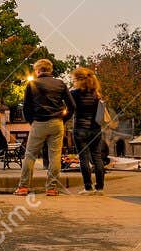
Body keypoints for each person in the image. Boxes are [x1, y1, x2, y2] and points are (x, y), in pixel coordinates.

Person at [15, 59, 73, 196]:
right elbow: (72, 106)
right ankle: (52, 188)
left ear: (38, 70)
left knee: (30, 155)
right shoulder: (60, 84)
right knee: (55, 156)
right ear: (50, 69)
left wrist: (32, 121)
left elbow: (26, 107)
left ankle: (23, 187)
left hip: (39, 123)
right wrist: (63, 119)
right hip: (56, 122)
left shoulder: (32, 84)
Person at [68, 66, 106, 193]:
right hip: (95, 129)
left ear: (78, 80)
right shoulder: (97, 94)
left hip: (80, 129)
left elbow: (70, 109)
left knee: (83, 158)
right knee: (97, 157)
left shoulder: (74, 94)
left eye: (73, 80)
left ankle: (88, 187)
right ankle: (100, 187)